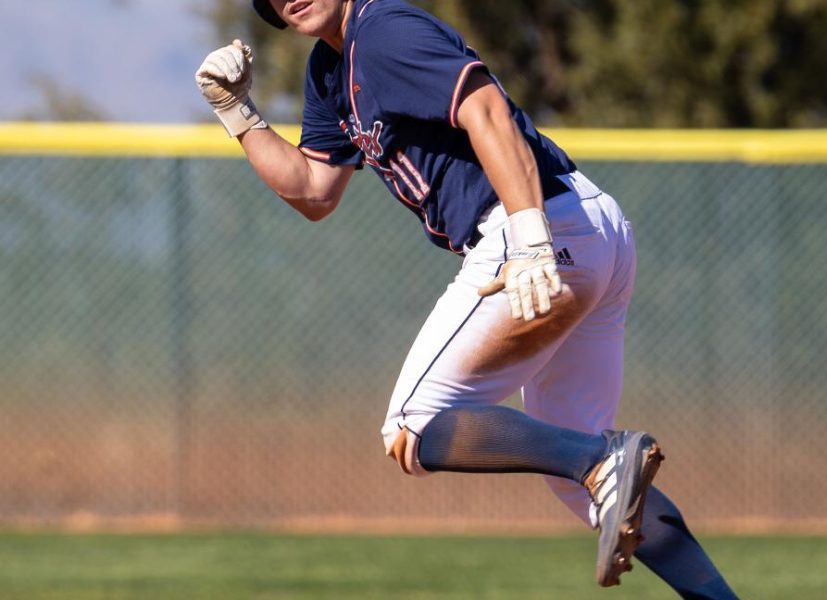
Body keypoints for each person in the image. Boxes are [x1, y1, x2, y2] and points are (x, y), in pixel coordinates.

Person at [196, 0, 738, 595]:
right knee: (589, 484)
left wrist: (530, 236)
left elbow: (485, 108)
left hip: (533, 227)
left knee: (413, 422)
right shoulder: (330, 70)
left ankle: (600, 459)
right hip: (580, 230)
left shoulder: (381, 30)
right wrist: (237, 110)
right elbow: (313, 189)